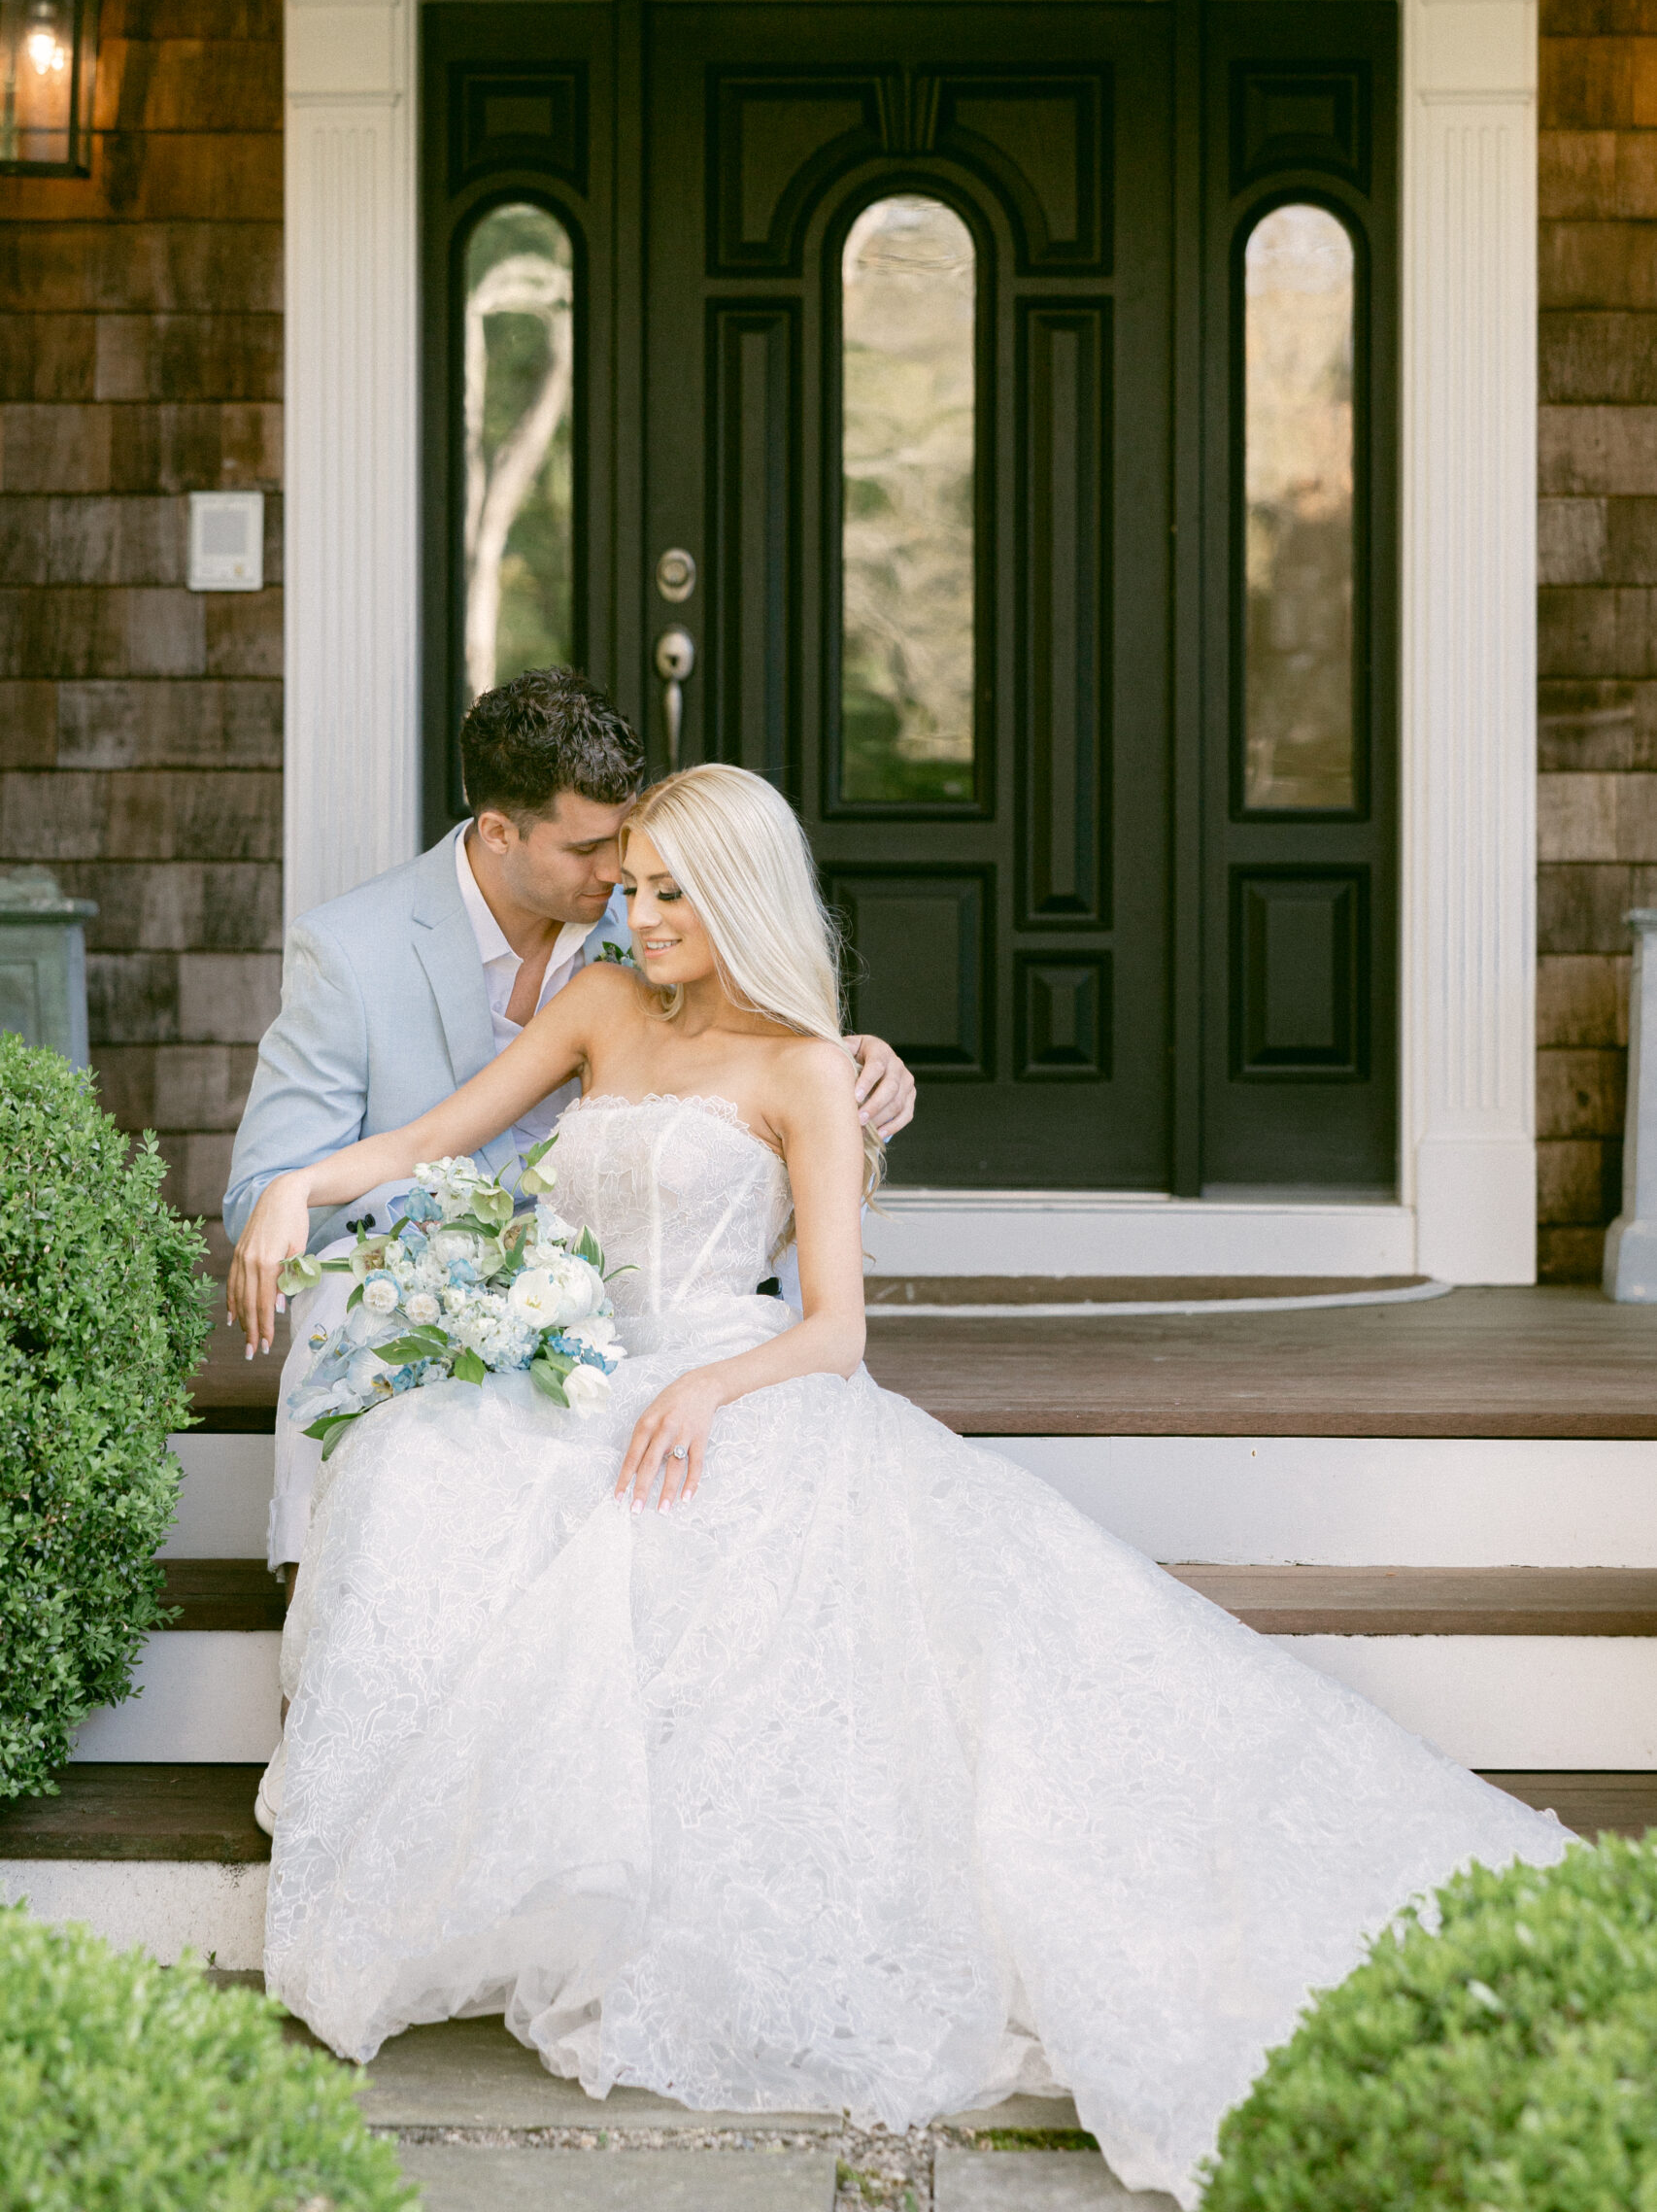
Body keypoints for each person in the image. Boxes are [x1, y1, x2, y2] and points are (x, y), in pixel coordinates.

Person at [228, 765, 1569, 2210]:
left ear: (738, 894)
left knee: (706, 1545)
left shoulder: (807, 1069)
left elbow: (833, 1329)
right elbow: (433, 1137)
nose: (641, 914)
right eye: (632, 886)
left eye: (673, 891)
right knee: (422, 1466)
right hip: (588, 1369)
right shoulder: (605, 1008)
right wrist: (299, 1189)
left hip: (740, 1374)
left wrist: (705, 1384)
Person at [224, 668, 915, 1569]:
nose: (622, 895)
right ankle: (322, 1584)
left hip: (673, 1329)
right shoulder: (358, 951)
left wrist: (846, 1053)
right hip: (445, 1278)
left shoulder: (640, 939)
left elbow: (748, 1014)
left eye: (636, 867)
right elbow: (386, 1156)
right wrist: (346, 1211)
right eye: (601, 860)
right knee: (371, 1373)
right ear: (500, 831)